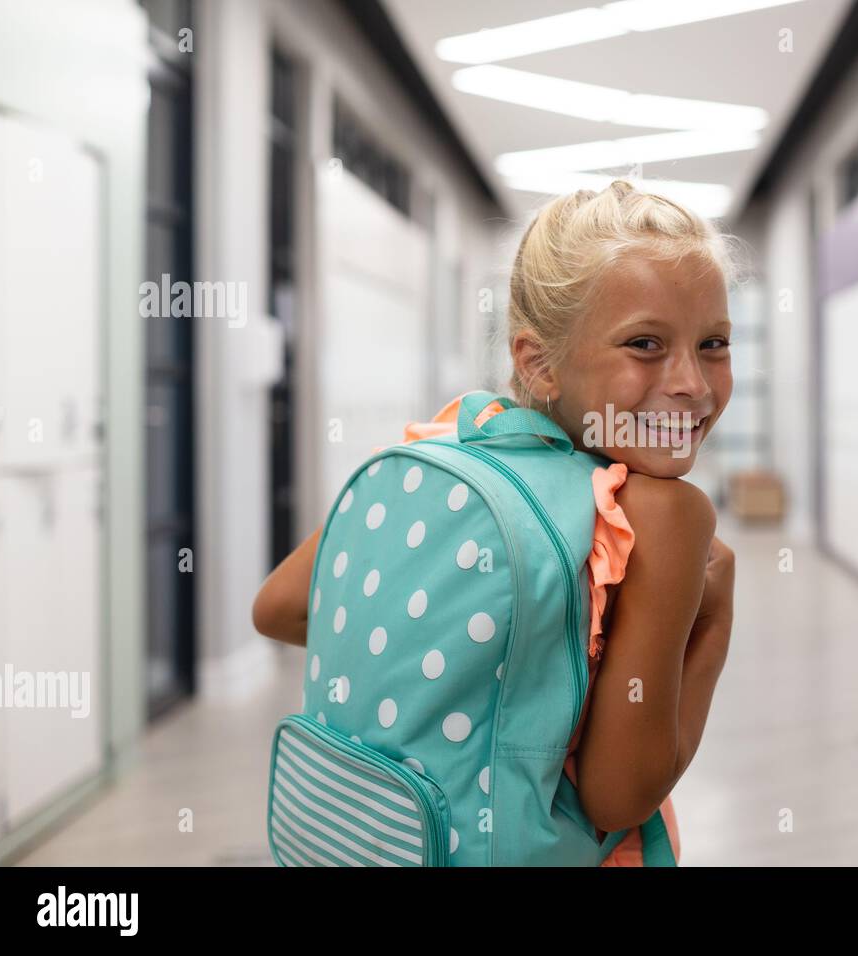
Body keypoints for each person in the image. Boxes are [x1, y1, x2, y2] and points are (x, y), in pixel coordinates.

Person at [253, 179, 738, 865]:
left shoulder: (448, 439)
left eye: (714, 343)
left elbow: (278, 607)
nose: (692, 381)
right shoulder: (664, 514)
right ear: (537, 361)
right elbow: (619, 797)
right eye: (645, 345)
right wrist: (714, 621)